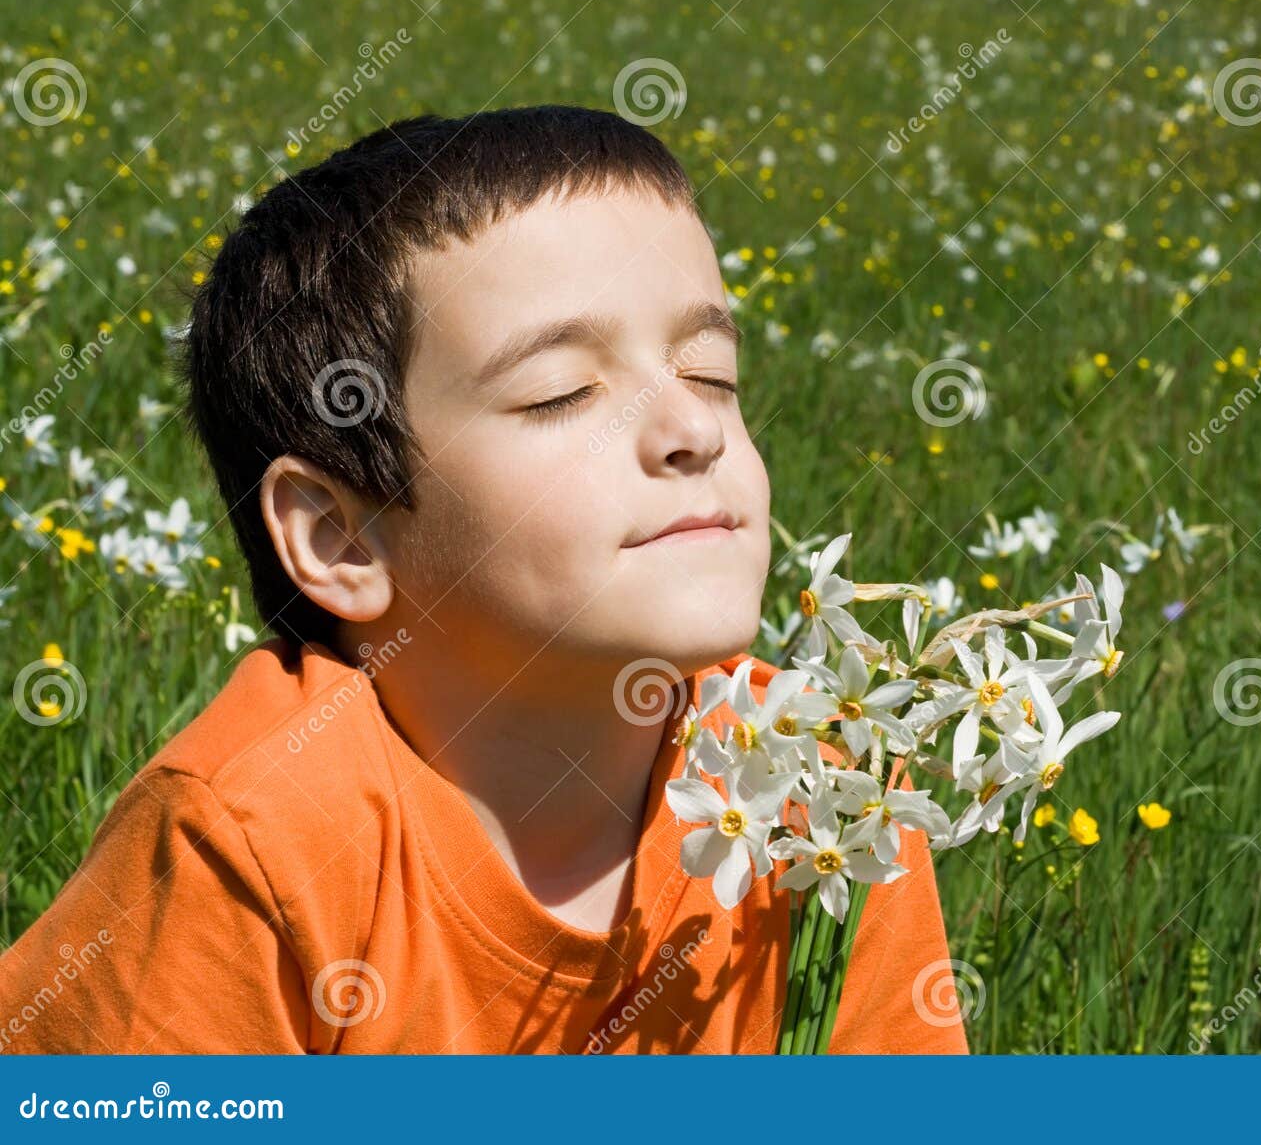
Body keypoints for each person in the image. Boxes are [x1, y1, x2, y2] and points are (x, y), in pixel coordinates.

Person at [0, 106, 967, 1054]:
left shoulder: (831, 791)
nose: (694, 429)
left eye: (712, 374)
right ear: (340, 537)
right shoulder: (251, 848)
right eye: (562, 393)